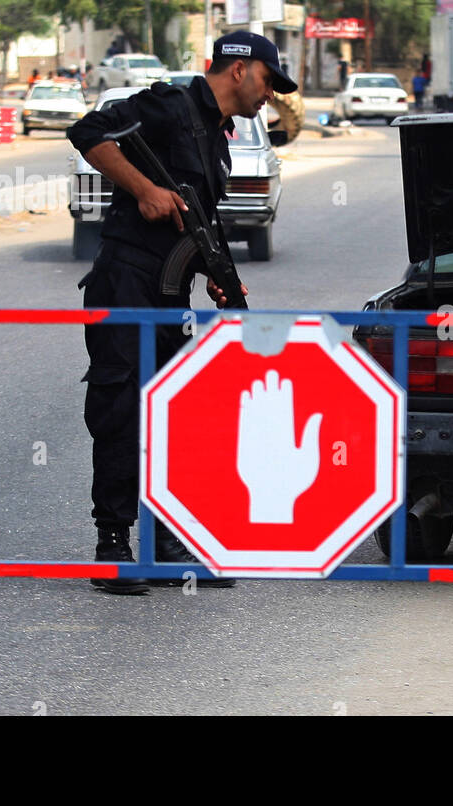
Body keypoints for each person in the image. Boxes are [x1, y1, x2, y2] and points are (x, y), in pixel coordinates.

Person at [66, 31, 297, 595]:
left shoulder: (219, 135)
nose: (271, 95)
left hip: (170, 291)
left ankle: (167, 541)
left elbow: (200, 218)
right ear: (239, 70)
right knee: (122, 403)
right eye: (269, 81)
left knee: (174, 411)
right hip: (125, 280)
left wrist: (221, 274)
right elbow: (88, 131)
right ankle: (113, 546)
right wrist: (144, 188)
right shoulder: (170, 105)